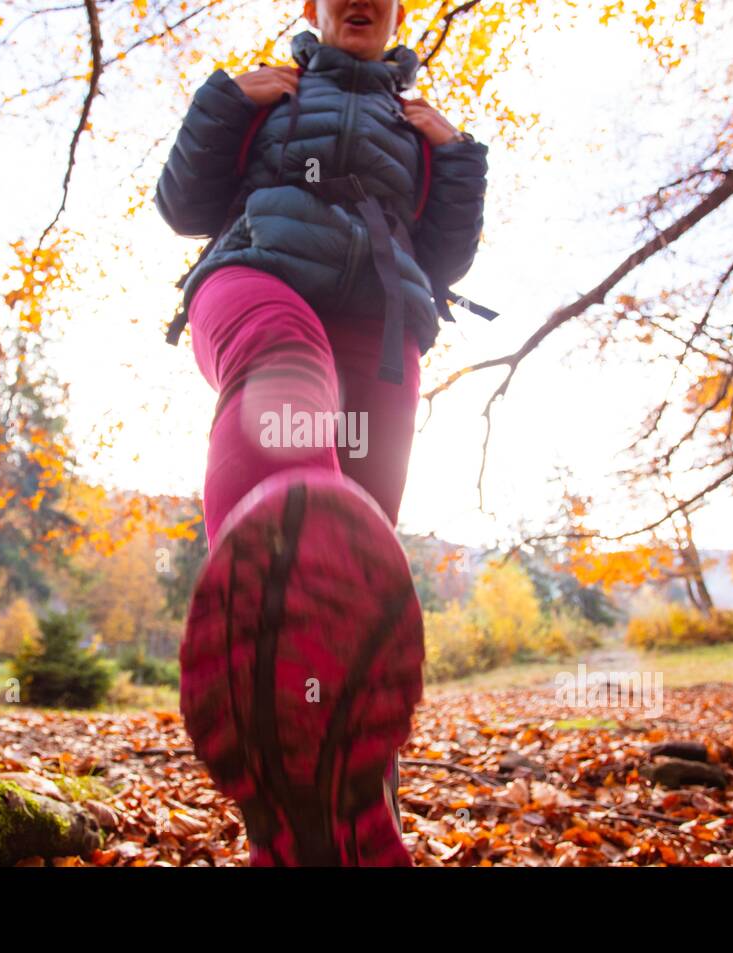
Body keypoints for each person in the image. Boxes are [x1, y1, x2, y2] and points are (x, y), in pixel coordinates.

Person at [155, 0, 489, 866]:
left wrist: (458, 158)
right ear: (311, 6)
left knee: (357, 543)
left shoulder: (425, 132)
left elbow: (447, 258)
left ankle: (338, 809)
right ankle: (264, 643)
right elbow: (183, 206)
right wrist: (224, 101)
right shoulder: (267, 92)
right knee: (284, 382)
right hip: (259, 275)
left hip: (382, 321)